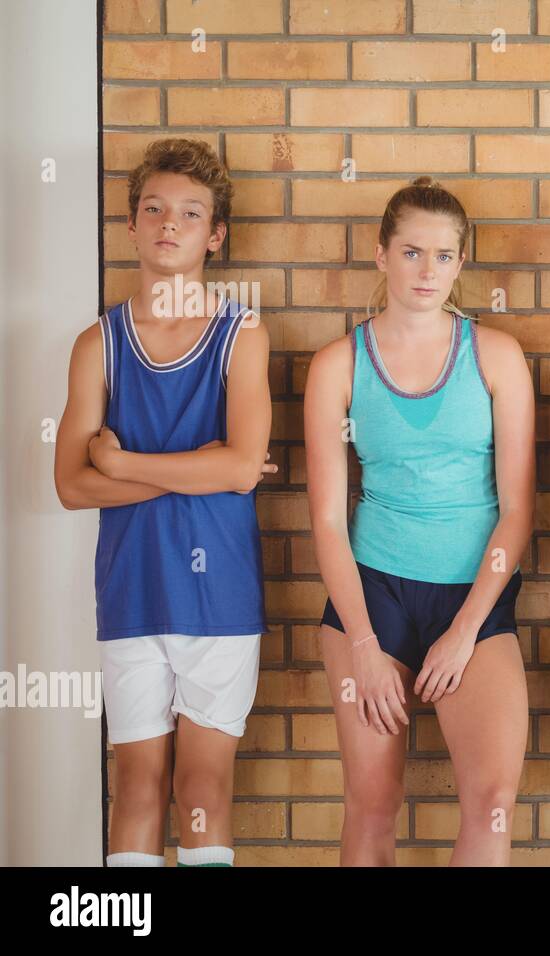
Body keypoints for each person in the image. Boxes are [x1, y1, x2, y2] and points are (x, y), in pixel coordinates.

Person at [54, 137, 274, 867]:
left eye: (190, 212)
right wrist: (202, 468)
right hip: (132, 587)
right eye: (153, 209)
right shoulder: (98, 344)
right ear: (131, 225)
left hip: (220, 595)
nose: (169, 223)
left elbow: (241, 468)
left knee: (202, 788)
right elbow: (71, 485)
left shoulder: (242, 335)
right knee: (136, 787)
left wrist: (123, 463)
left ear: (215, 235)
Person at [305, 178, 534, 866]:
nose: (427, 270)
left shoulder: (496, 355)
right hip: (373, 596)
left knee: (491, 802)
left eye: (443, 255)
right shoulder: (338, 365)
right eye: (411, 252)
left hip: (474, 597)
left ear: (461, 263)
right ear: (382, 255)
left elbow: (518, 512)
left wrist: (464, 632)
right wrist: (364, 645)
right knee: (373, 804)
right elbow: (326, 520)